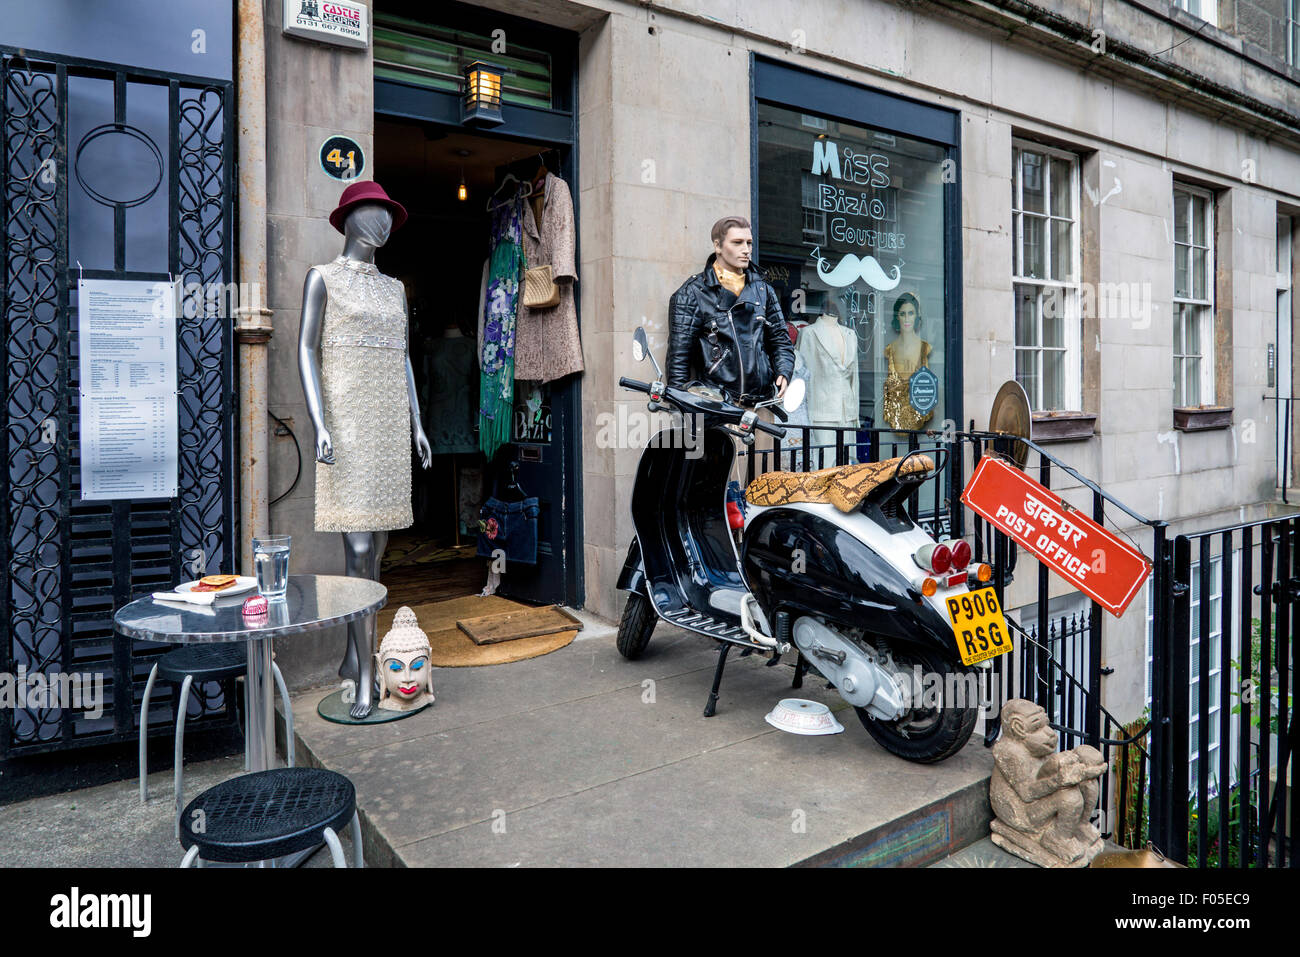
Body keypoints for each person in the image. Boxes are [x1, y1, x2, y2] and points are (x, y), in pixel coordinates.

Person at [666, 216, 794, 404]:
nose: (746, 250)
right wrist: (681, 405)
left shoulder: (763, 290)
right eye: (737, 243)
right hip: (717, 406)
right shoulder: (692, 293)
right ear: (718, 246)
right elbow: (679, 359)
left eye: (749, 243)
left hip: (762, 404)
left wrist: (784, 370)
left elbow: (780, 341)